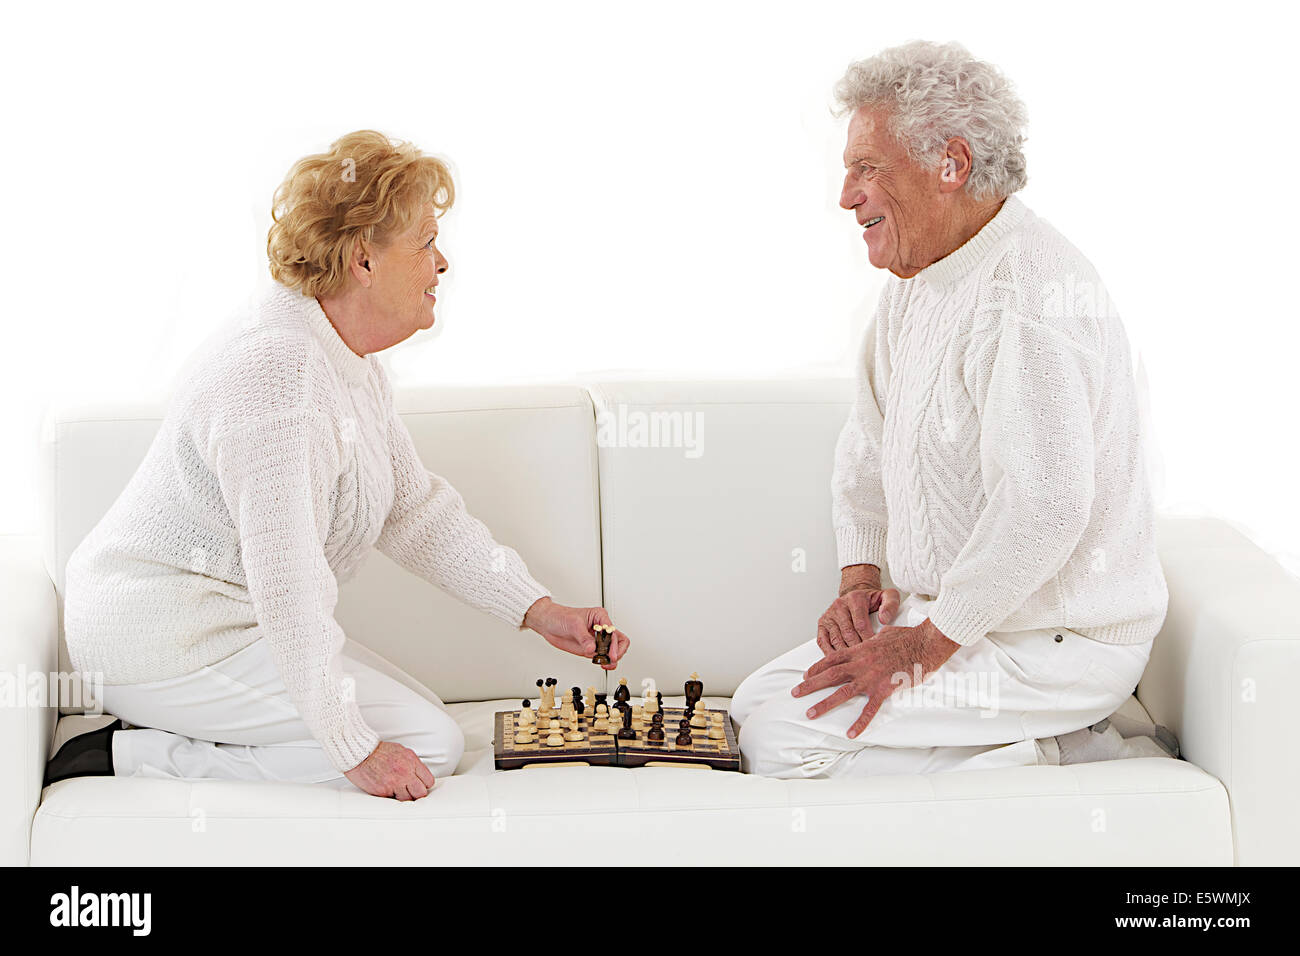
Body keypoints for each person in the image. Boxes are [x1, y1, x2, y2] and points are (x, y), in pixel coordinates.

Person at [53, 130, 629, 800]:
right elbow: (289, 584)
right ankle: (130, 756)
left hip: (225, 627)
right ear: (363, 259)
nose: (441, 263)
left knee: (421, 724)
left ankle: (181, 731)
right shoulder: (277, 379)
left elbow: (414, 513)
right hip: (158, 642)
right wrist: (354, 750)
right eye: (424, 241)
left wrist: (538, 609)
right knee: (430, 745)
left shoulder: (342, 359)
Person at [732, 41, 1176, 777]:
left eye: (867, 168)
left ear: (952, 166)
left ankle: (1048, 752)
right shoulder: (917, 283)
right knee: (755, 703)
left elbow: (1048, 504)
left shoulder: (1027, 295)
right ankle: (1020, 749)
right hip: (961, 621)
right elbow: (867, 447)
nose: (846, 196)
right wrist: (859, 580)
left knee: (782, 740)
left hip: (1055, 644)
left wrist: (927, 644)